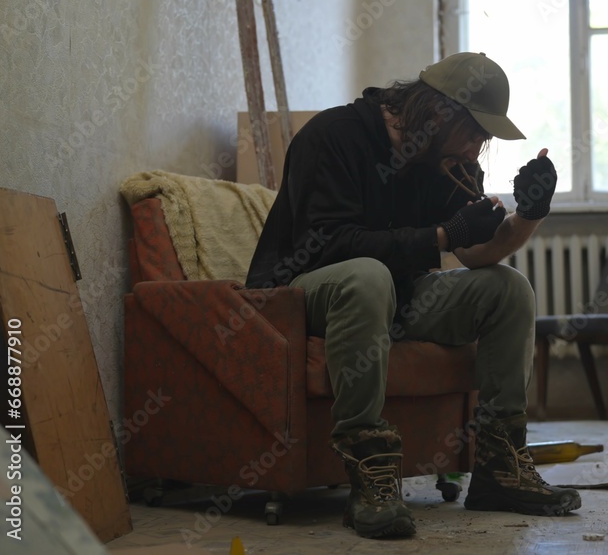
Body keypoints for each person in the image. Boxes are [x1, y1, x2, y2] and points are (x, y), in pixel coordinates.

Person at [245, 52, 580, 539]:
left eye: (484, 139)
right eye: (474, 133)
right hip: (302, 297)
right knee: (367, 275)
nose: (475, 149)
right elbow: (331, 245)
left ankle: (499, 470)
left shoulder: (445, 161)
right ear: (437, 112)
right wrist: (443, 236)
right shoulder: (332, 137)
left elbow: (479, 254)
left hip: (393, 296)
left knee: (508, 289)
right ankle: (369, 478)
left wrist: (529, 214)